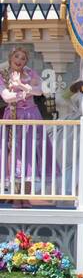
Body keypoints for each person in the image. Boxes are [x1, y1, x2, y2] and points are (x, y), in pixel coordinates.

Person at [1, 47, 55, 205]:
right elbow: (6, 97)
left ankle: (27, 196)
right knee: (15, 154)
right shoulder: (4, 75)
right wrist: (24, 93)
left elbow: (41, 91)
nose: (19, 60)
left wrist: (22, 87)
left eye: (23, 58)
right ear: (11, 58)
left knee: (31, 154)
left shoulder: (30, 73)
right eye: (17, 56)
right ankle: (17, 198)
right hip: (14, 117)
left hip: (31, 116)